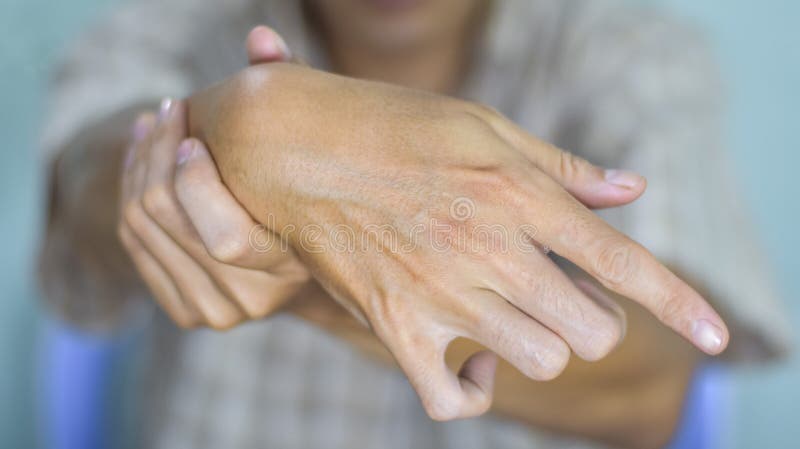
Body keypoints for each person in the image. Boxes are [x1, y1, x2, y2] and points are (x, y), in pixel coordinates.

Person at [37, 0, 789, 448]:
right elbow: (81, 191)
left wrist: (314, 268)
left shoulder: (624, 50)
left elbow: (651, 390)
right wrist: (231, 129)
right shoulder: (182, 22)